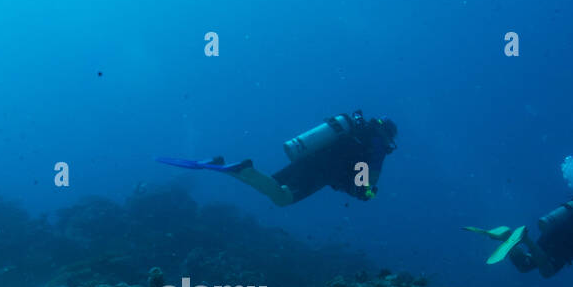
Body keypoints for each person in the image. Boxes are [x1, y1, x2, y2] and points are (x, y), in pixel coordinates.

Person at [157, 110, 397, 207]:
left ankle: (230, 167)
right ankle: (244, 170)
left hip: (309, 158)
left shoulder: (355, 131)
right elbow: (368, 176)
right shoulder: (376, 144)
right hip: (324, 171)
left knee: (272, 185)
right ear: (388, 135)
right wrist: (367, 192)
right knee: (283, 198)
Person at [466, 194, 573, 287]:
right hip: (562, 250)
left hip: (550, 235)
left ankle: (508, 236)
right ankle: (525, 238)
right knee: (547, 271)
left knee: (525, 265)